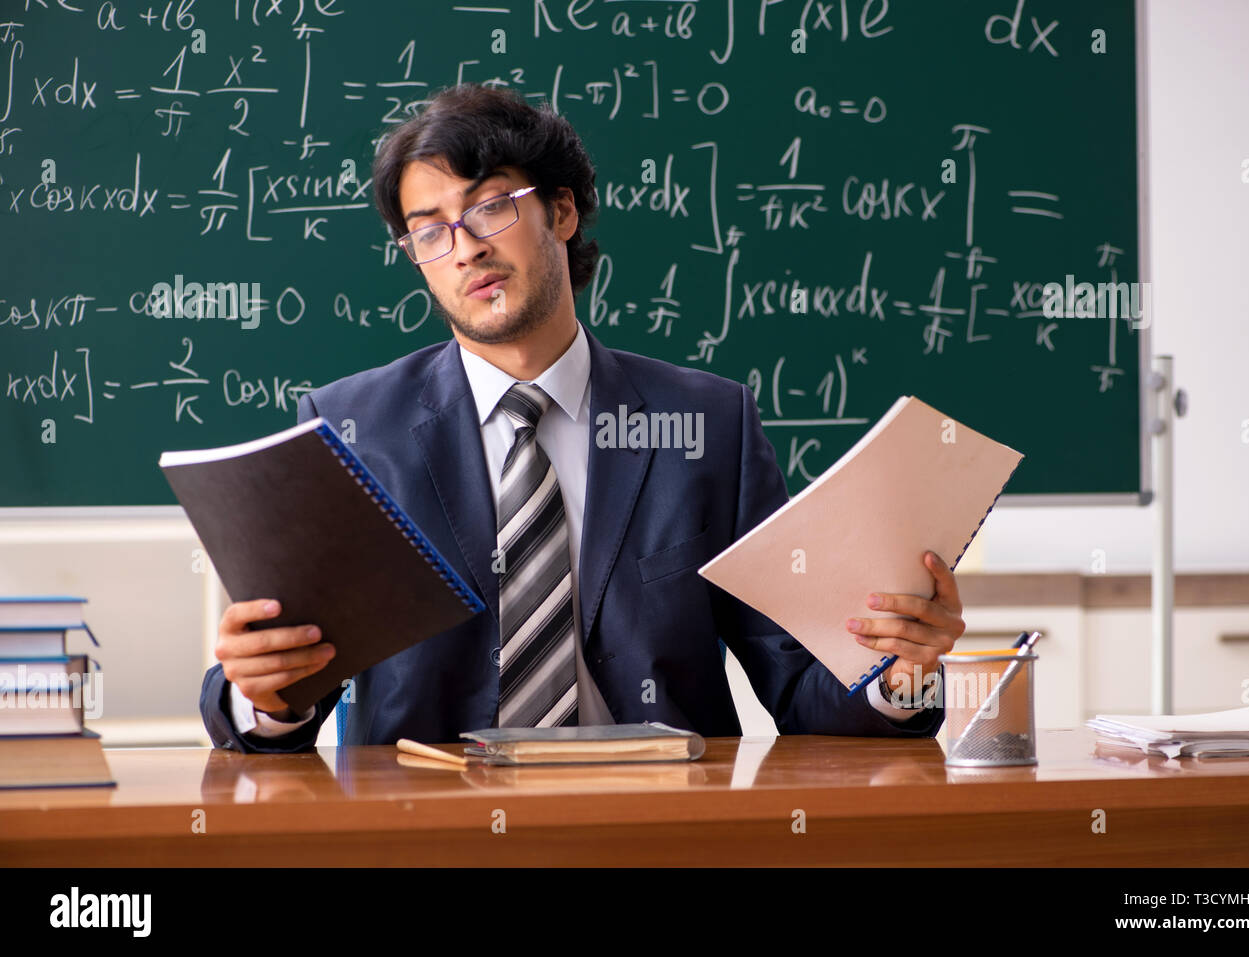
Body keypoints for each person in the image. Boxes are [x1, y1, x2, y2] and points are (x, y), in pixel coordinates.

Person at [199, 84, 965, 752]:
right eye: (429, 230)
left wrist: (900, 675)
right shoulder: (352, 429)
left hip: (659, 834)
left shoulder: (708, 424)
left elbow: (801, 686)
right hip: (432, 838)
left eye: (490, 207)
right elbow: (288, 696)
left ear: (561, 212)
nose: (463, 248)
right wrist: (264, 690)